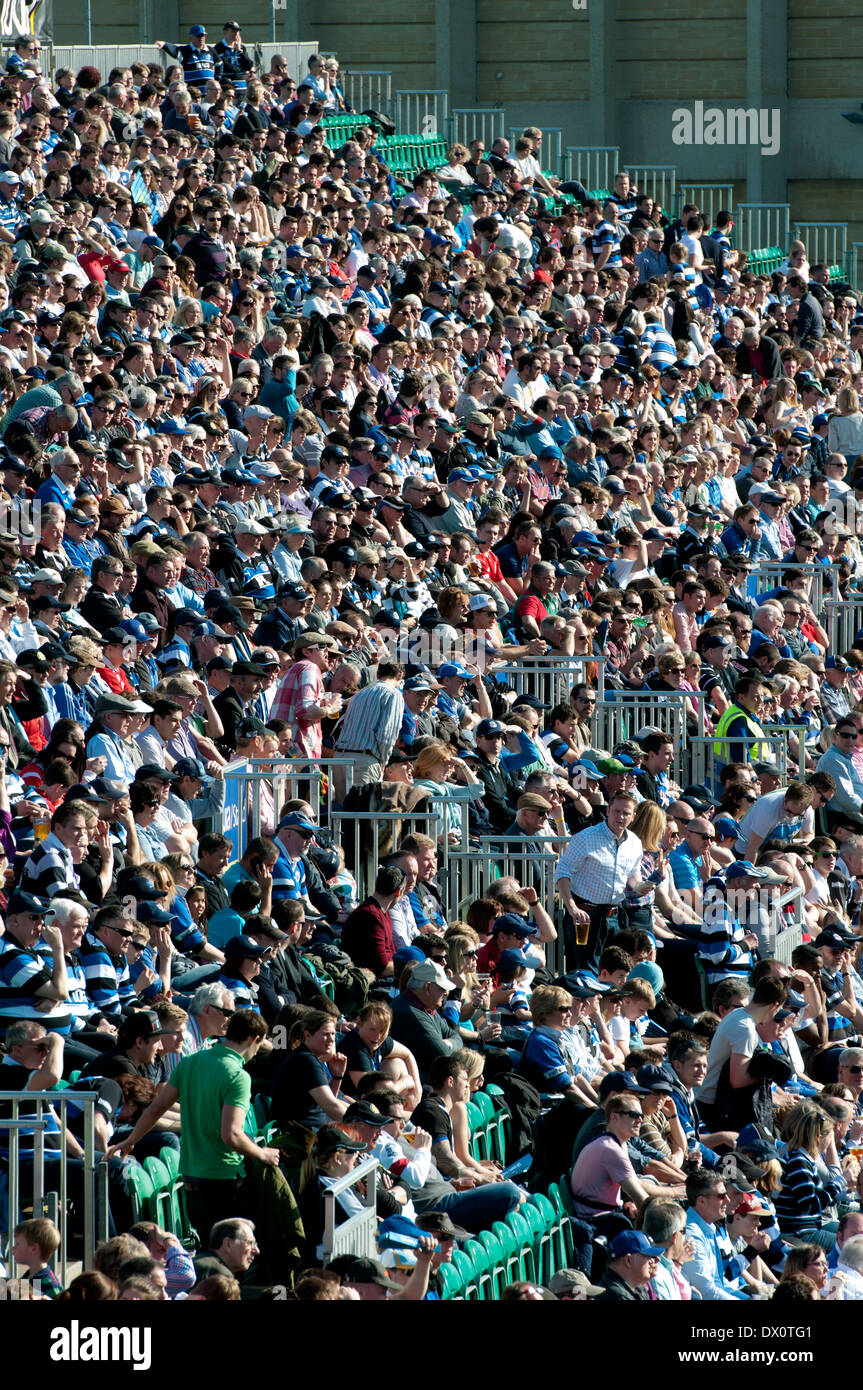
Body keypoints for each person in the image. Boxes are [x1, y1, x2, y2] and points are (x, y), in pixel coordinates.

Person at [107, 1010, 279, 1240]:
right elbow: (232, 1135)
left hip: (190, 1175)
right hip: (224, 1176)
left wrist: (130, 1140)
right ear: (252, 1039)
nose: (257, 1052)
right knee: (229, 1253)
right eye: (259, 1045)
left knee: (208, 1247)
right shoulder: (239, 1076)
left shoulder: (190, 1062)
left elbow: (155, 1109)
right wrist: (262, 1154)